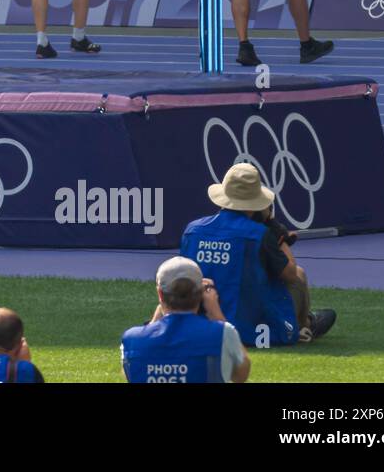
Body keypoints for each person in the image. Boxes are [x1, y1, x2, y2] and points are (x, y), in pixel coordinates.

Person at [183, 163, 337, 347]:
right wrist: (278, 233)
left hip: (200, 321)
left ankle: (304, 324)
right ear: (255, 203)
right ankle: (303, 326)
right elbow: (290, 274)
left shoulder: (193, 230)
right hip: (250, 326)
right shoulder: (259, 234)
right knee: (299, 274)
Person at [120, 256, 251, 383]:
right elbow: (241, 376)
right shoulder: (222, 333)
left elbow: (131, 375)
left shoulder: (131, 339)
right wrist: (217, 315)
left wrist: (154, 321)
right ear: (201, 294)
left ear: (160, 293)